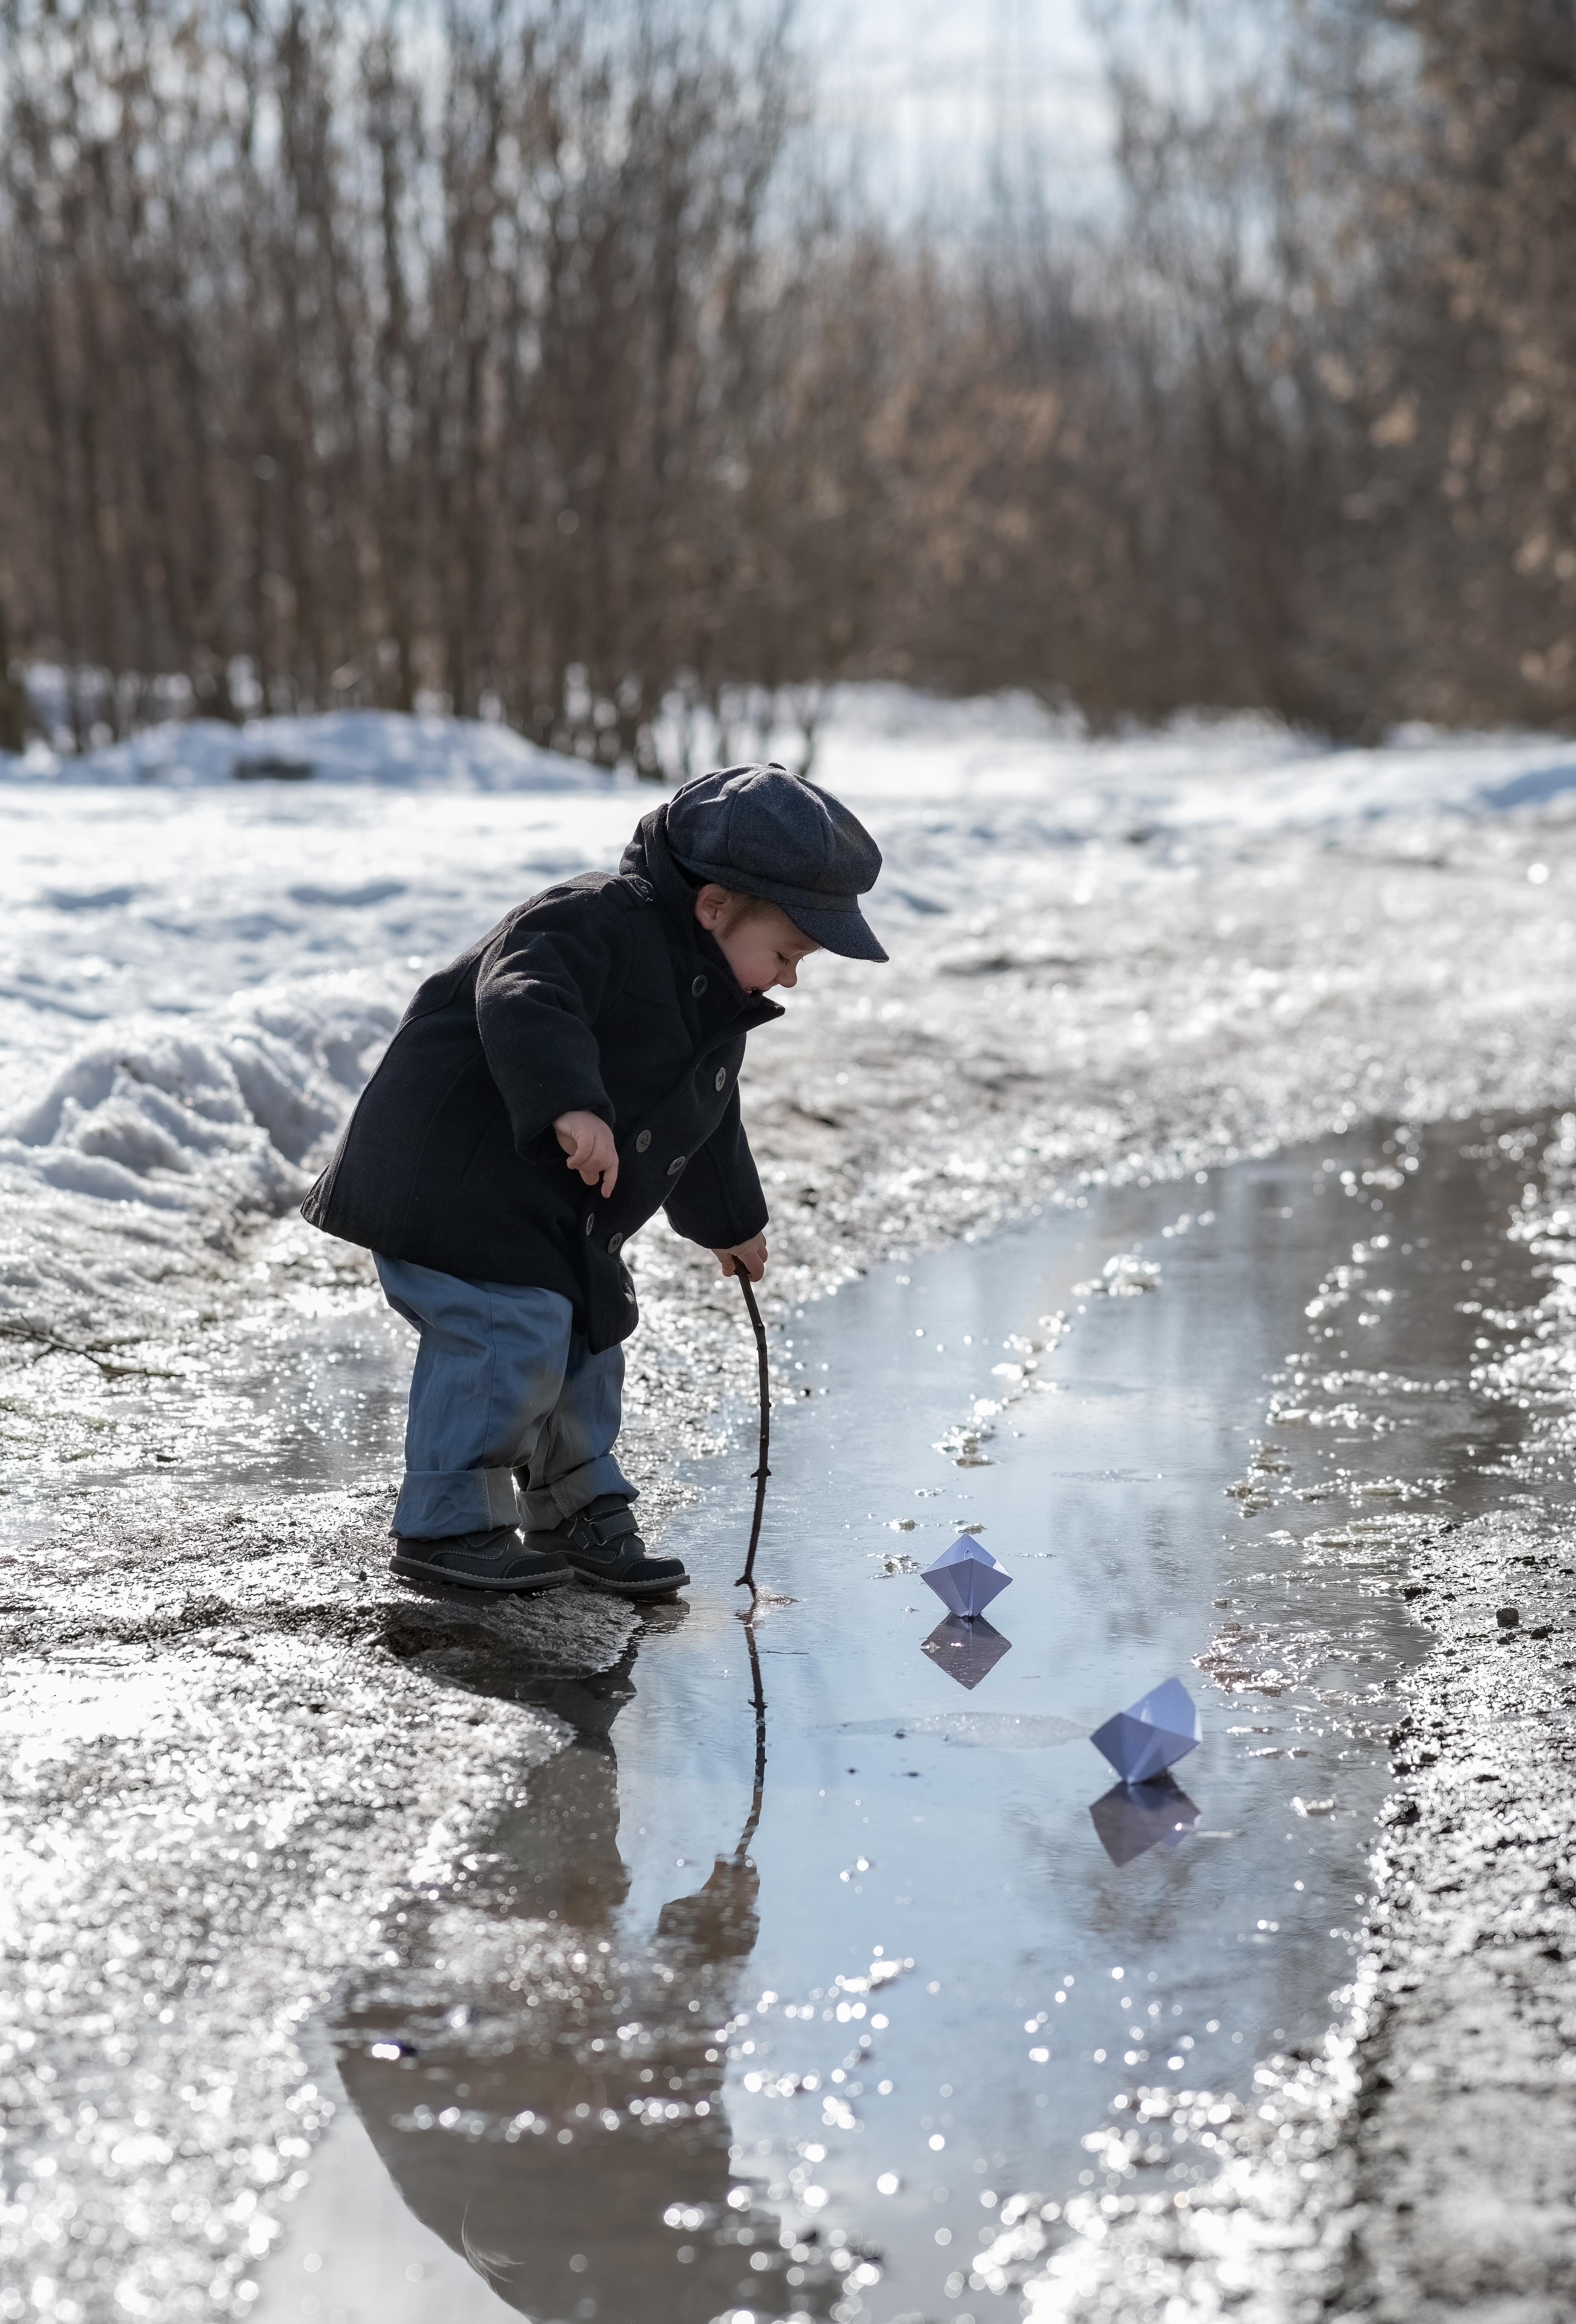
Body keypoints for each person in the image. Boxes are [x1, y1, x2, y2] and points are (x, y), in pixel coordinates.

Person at [300, 761, 886, 1600]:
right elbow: (526, 997)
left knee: (588, 1336)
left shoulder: (716, 1006)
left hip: (547, 1210)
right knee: (509, 1334)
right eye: (788, 951)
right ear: (714, 906)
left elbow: (708, 1119)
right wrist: (570, 1103)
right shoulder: (589, 921)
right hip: (449, 1182)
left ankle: (576, 1509)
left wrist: (730, 1222)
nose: (790, 976)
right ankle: (446, 1521)